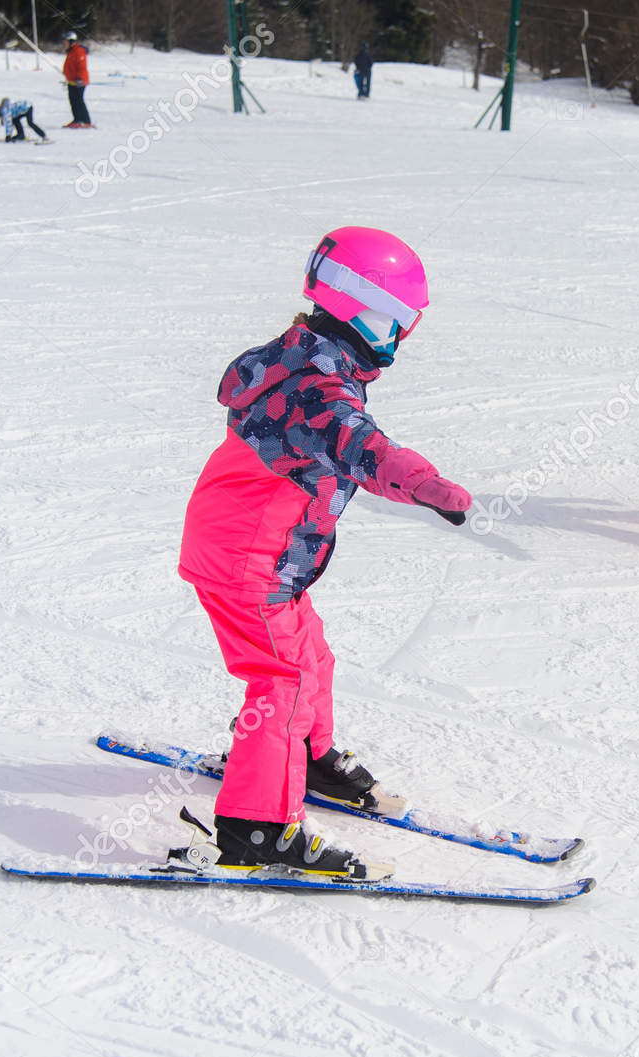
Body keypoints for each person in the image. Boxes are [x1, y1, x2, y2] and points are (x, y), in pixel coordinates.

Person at [176, 227, 472, 879]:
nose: (398, 340)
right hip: (245, 559)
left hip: (270, 556)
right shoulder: (318, 388)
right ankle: (256, 828)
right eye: (396, 324)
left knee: (311, 652)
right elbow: (358, 442)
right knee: (277, 678)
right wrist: (423, 482)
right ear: (362, 310)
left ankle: (303, 756)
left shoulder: (304, 355)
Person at [62, 31, 92, 127]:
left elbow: (82, 67)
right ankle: (77, 120)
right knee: (73, 100)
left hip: (79, 82)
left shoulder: (78, 51)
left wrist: (80, 78)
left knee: (78, 100)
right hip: (71, 81)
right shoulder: (71, 52)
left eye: (66, 42)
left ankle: (86, 121)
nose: (64, 44)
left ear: (71, 42)